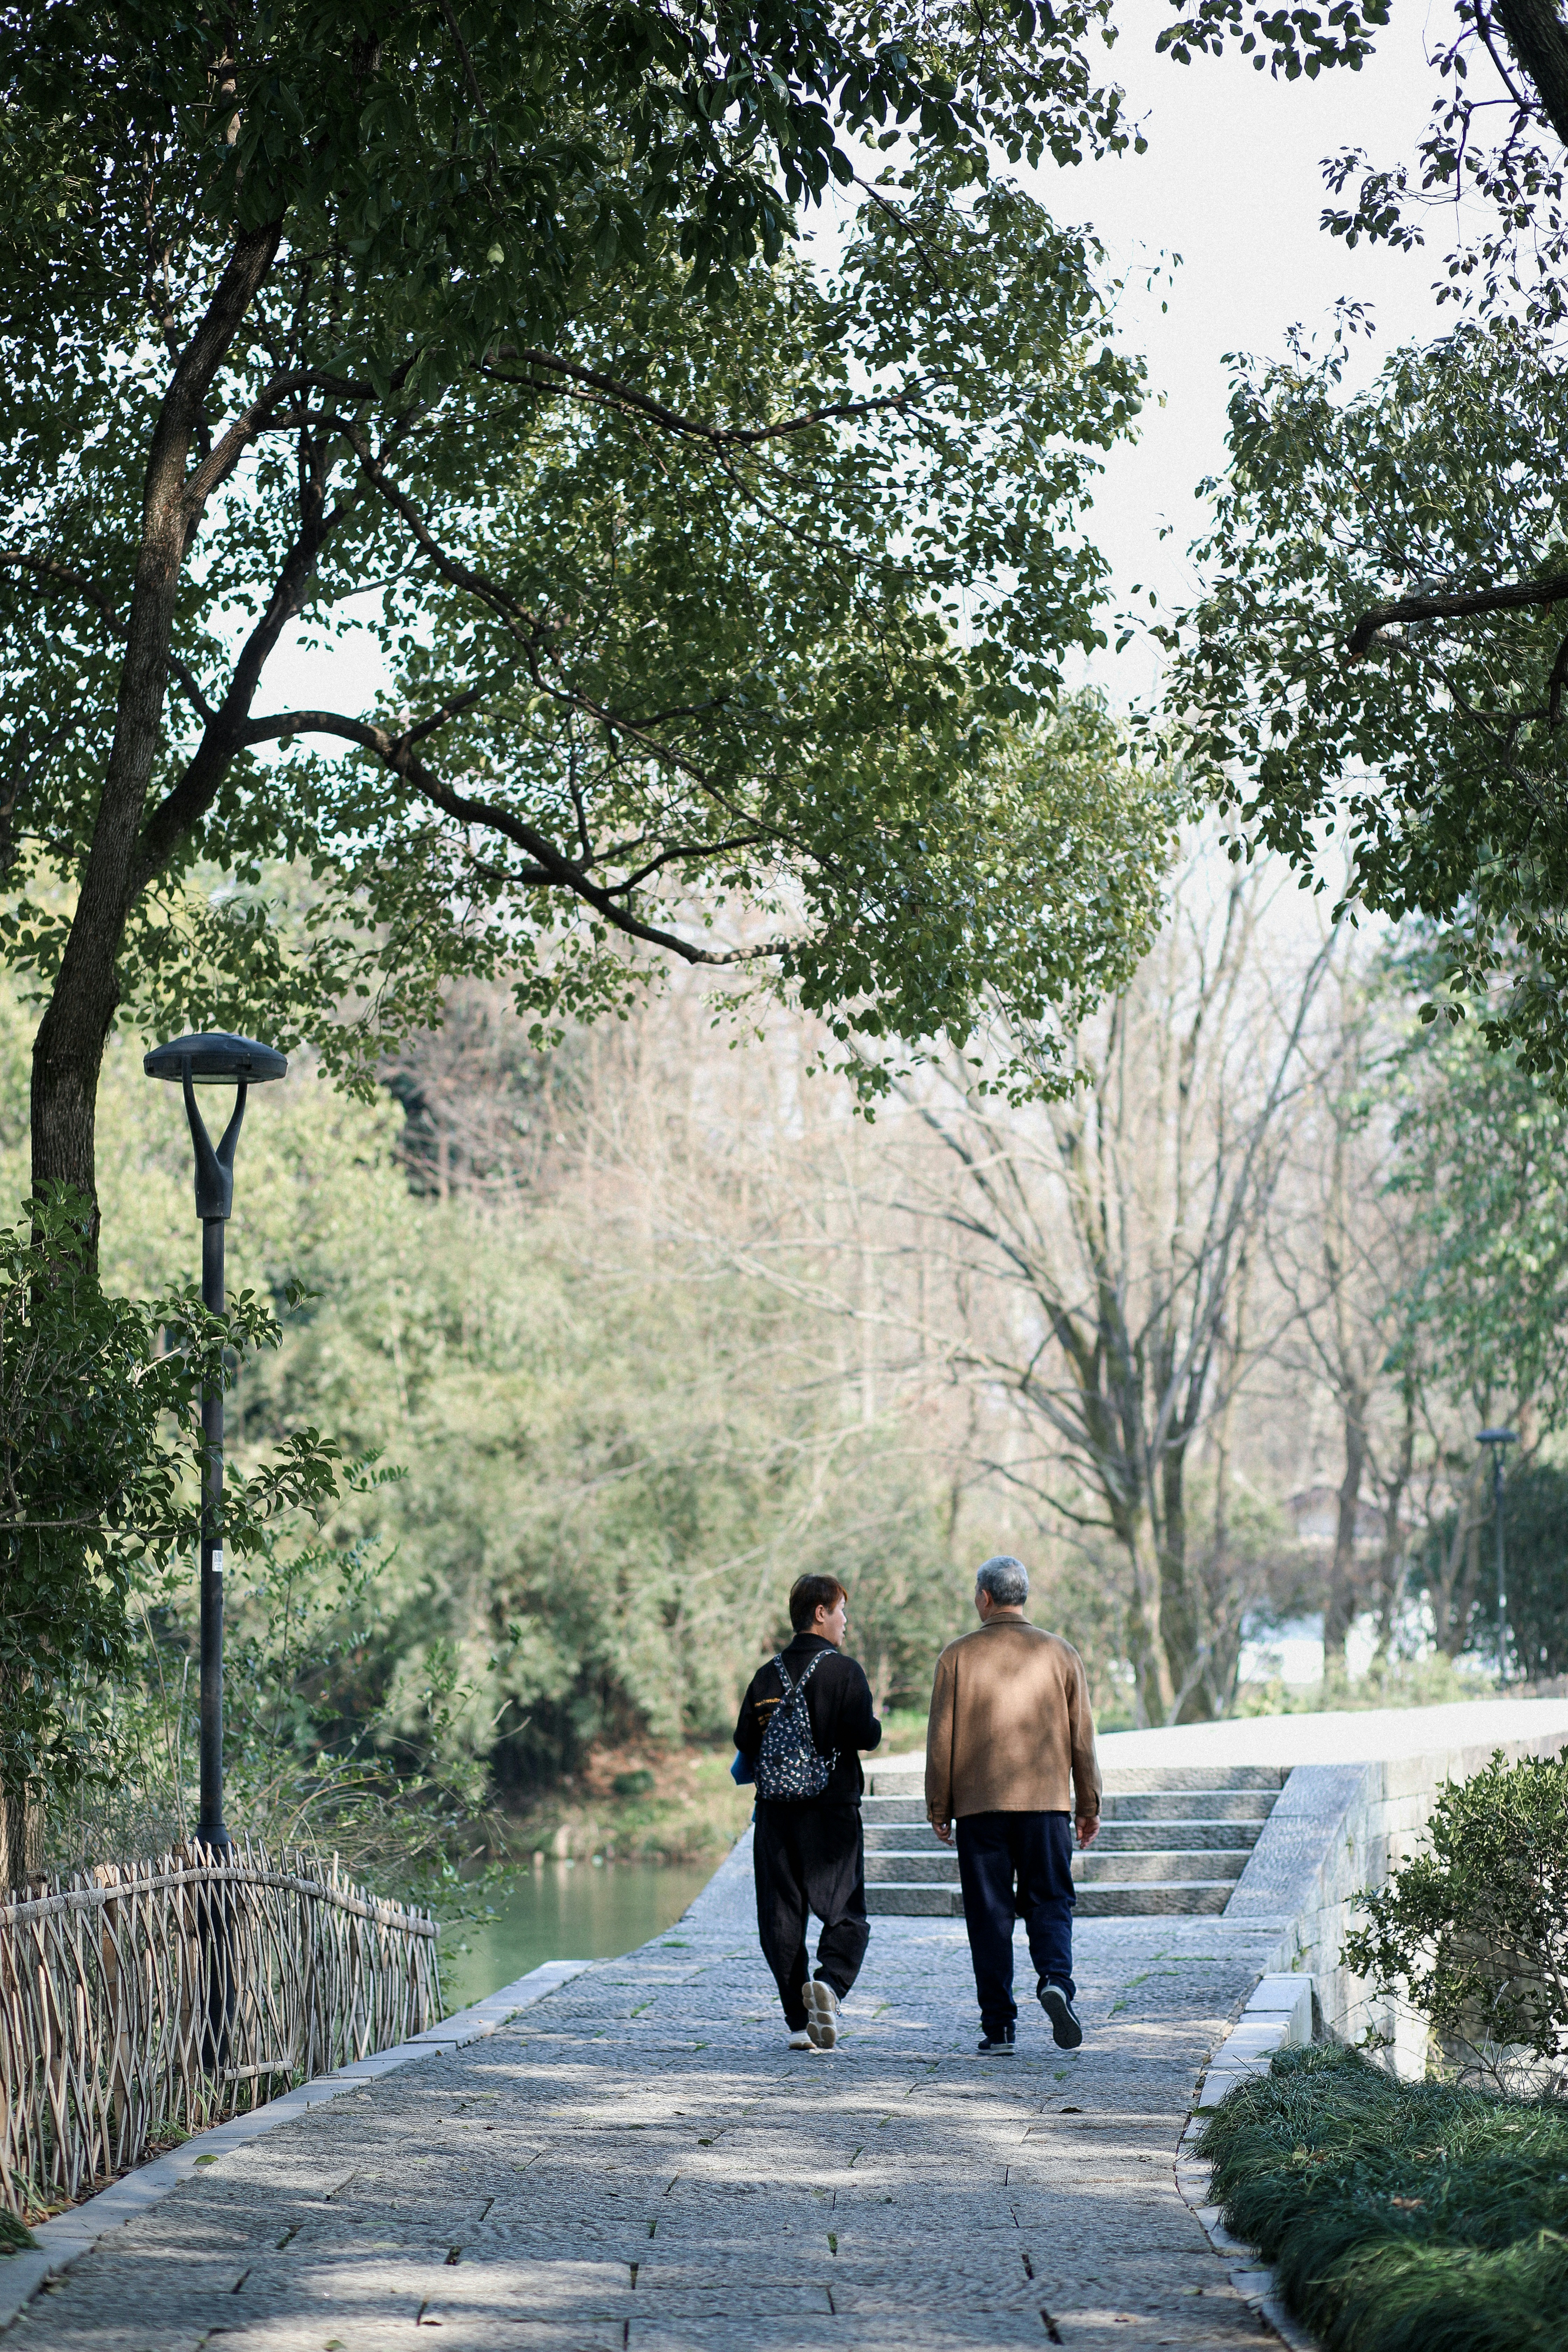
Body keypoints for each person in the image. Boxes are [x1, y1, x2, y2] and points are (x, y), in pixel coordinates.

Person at [925, 1555, 1100, 2054]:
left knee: (989, 1915)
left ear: (984, 1597)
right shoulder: (1060, 1654)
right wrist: (1087, 1803)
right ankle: (1056, 1982)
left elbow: (941, 1740)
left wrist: (939, 1806)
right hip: (1045, 1806)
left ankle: (999, 2027)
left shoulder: (955, 1657)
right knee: (1051, 1901)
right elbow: (1082, 1740)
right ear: (1022, 1595)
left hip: (979, 1809)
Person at [734, 1573, 882, 2051]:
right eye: (841, 1610)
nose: (846, 1621)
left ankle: (799, 2022)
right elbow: (866, 1734)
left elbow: (745, 1742)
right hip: (832, 1812)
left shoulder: (764, 1676)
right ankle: (830, 1986)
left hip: (775, 1814)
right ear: (820, 1612)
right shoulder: (844, 1672)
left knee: (780, 1916)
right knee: (846, 1913)